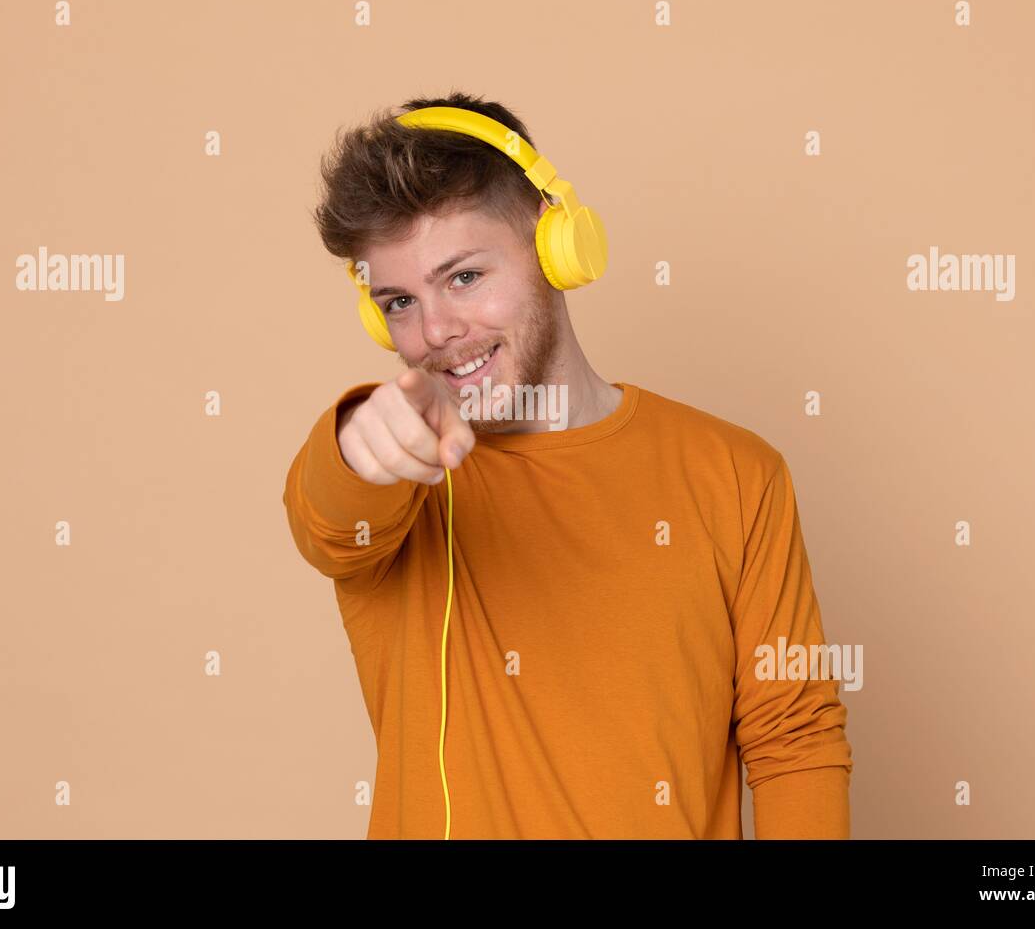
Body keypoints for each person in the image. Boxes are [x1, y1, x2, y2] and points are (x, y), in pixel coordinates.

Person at [283, 91, 853, 839]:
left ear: (559, 247)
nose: (435, 331)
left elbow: (795, 740)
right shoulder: (399, 475)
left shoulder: (739, 475)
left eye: (463, 278)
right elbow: (330, 520)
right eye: (396, 301)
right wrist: (362, 434)